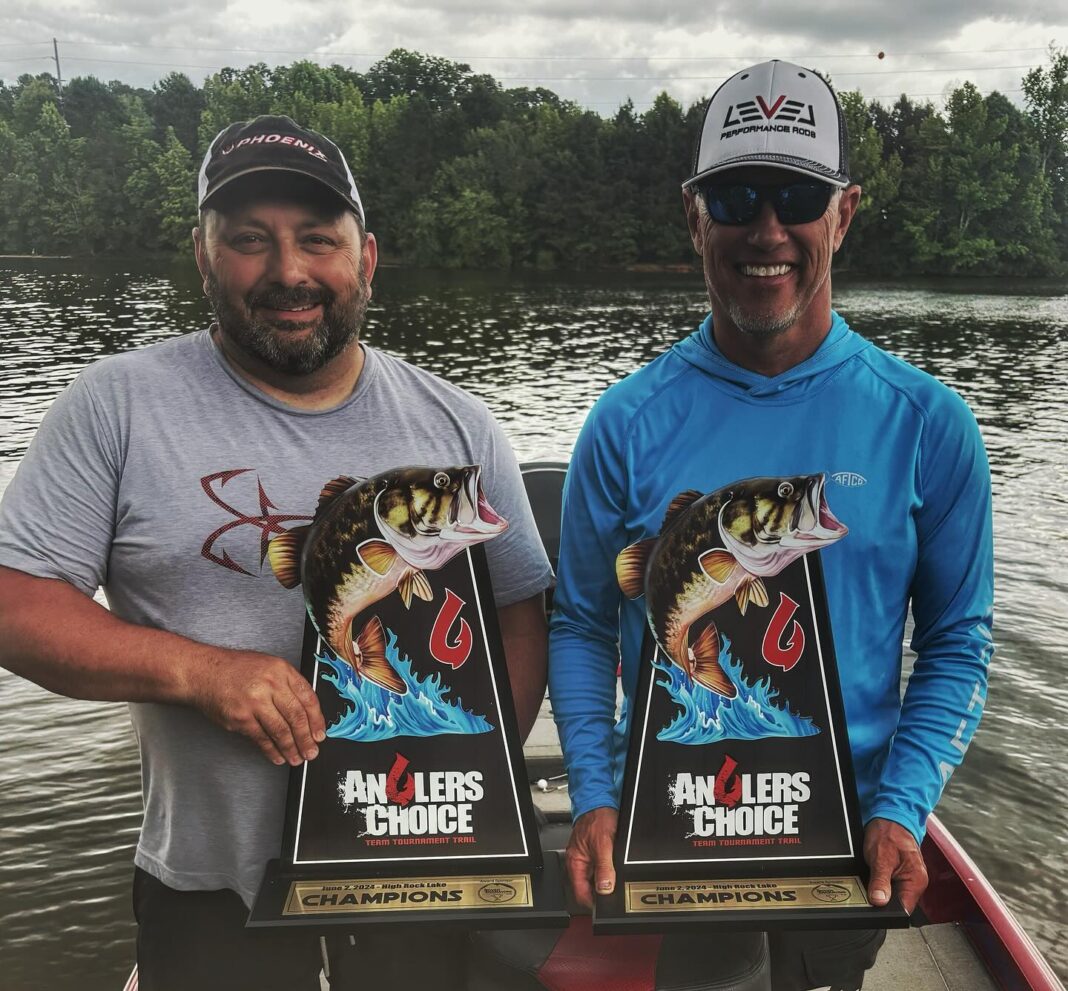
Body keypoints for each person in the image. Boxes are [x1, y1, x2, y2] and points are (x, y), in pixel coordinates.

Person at [0, 115, 552, 990]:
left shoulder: (456, 424)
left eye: (318, 240)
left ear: (366, 257)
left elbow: (522, 608)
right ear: (203, 254)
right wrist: (201, 673)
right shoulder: (117, 406)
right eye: (250, 240)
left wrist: (467, 767)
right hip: (210, 889)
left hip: (421, 875)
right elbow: (16, 604)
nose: (289, 271)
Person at [548, 60, 993, 990]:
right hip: (670, 828)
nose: (767, 229)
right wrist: (593, 793)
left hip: (847, 840)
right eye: (737, 196)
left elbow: (956, 640)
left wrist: (903, 809)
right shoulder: (625, 423)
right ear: (694, 214)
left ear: (843, 212)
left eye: (795, 196)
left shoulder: (927, 422)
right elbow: (585, 623)